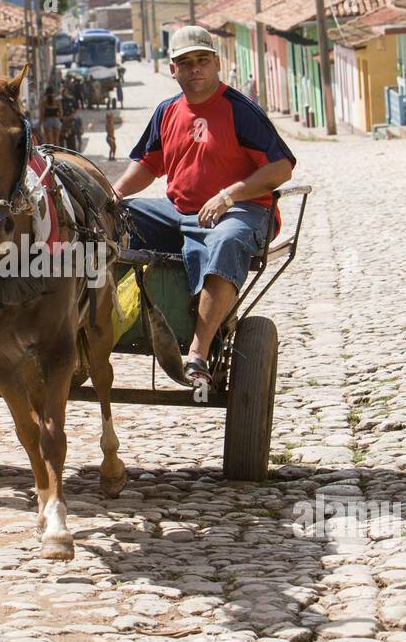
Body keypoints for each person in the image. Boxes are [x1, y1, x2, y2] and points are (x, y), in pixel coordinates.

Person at [112, 25, 295, 387]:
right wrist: (111, 197)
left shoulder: (240, 110)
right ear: (173, 70)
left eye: (202, 60)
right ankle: (92, 324)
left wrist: (229, 195)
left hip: (241, 211)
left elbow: (281, 168)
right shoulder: (166, 111)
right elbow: (148, 164)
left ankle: (197, 352)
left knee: (226, 240)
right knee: (107, 219)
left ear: (216, 63)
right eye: (186, 62)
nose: (195, 68)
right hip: (179, 211)